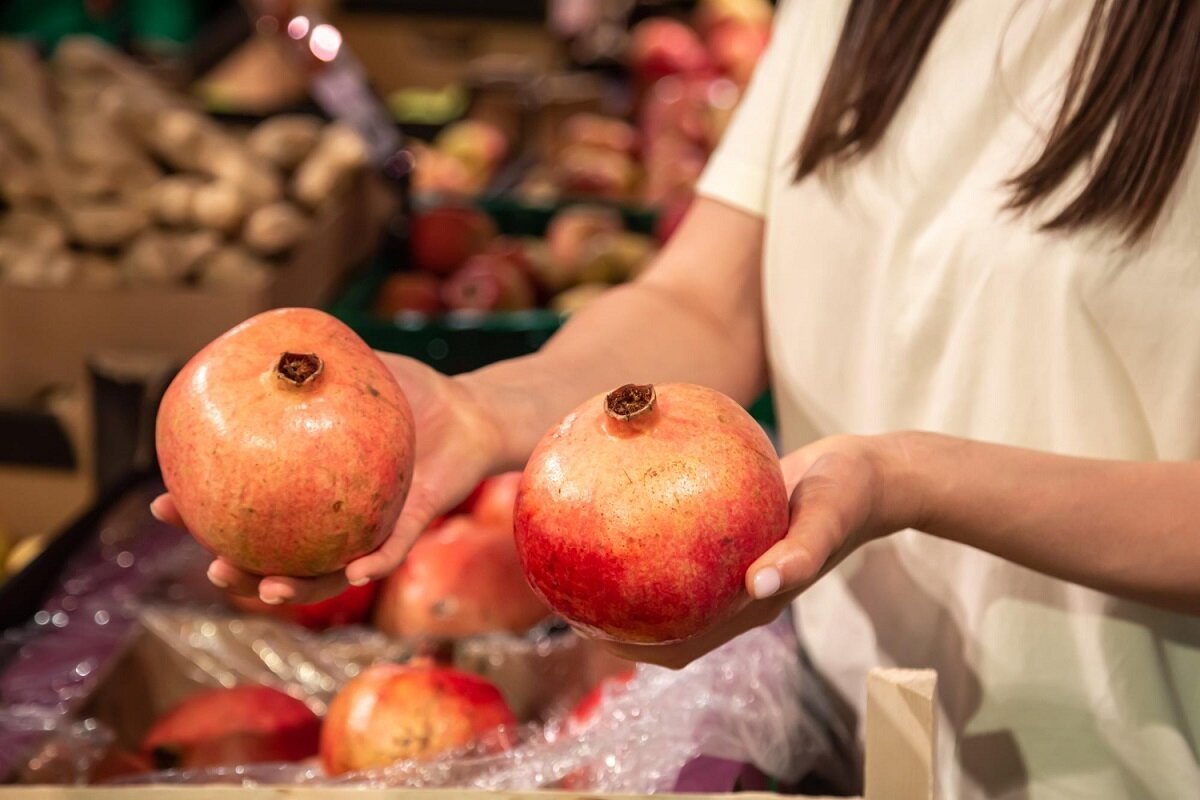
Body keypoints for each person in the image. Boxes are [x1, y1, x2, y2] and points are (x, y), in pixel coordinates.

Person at [152, 0, 1200, 796]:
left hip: (1131, 754)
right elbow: (708, 302)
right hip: (878, 721)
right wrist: (486, 409)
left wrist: (908, 474)